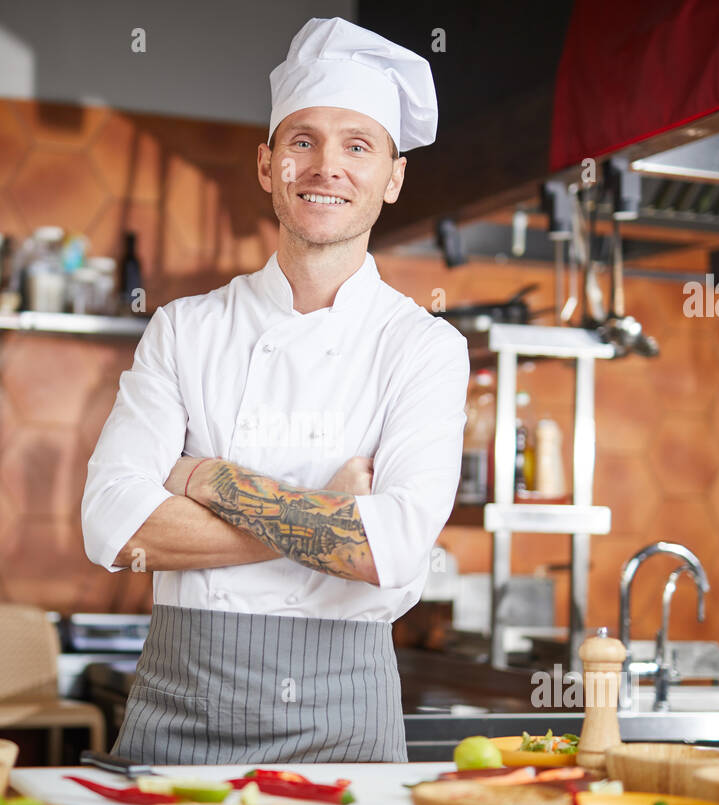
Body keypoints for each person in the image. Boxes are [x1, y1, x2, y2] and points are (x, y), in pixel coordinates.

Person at [82, 16, 469, 764]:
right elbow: (114, 529)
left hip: (345, 723)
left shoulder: (425, 348)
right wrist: (326, 510)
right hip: (177, 713)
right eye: (303, 141)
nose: (328, 165)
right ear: (267, 166)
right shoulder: (184, 328)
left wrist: (204, 478)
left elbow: (386, 551)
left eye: (358, 145)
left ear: (392, 178)